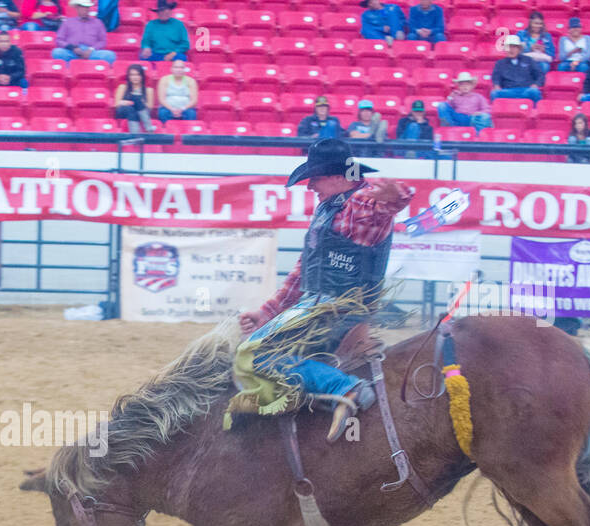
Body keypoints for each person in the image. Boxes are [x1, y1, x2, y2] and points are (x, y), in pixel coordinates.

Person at [235, 139, 415, 441]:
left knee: (253, 355)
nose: (310, 187)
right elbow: (303, 271)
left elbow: (385, 205)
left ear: (336, 176)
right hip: (318, 306)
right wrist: (266, 312)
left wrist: (397, 196)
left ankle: (344, 388)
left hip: (334, 311)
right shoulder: (331, 209)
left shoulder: (356, 206)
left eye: (314, 179)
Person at [491, 35, 543, 103]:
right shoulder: (500, 63)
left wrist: (536, 84)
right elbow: (496, 78)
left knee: (534, 92)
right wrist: (497, 86)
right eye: (509, 47)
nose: (511, 50)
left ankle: (535, 112)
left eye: (514, 47)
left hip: (526, 89)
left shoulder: (529, 60)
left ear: (519, 49)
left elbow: (539, 75)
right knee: (495, 93)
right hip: (508, 91)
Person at [113, 63, 154, 132]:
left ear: (142, 76)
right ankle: (148, 128)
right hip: (124, 110)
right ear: (129, 76)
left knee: (136, 101)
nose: (135, 77)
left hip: (141, 112)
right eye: (132, 75)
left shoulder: (148, 90)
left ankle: (137, 133)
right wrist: (126, 102)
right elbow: (117, 104)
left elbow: (150, 108)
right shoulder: (123, 87)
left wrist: (141, 102)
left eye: (138, 75)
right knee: (131, 107)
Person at [155, 59, 196, 124]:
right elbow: (161, 99)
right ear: (171, 69)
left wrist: (182, 109)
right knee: (163, 113)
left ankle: (188, 132)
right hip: (168, 108)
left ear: (184, 69)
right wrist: (172, 109)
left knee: (191, 113)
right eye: (176, 67)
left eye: (181, 67)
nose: (179, 70)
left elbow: (194, 101)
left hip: (185, 109)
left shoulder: (191, 81)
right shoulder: (164, 80)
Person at [517, 11, 555, 76]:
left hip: (541, 60)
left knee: (544, 66)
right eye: (536, 23)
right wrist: (530, 48)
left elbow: (552, 54)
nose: (538, 26)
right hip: (525, 60)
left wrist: (544, 50)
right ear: (530, 23)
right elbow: (516, 51)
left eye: (540, 24)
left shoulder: (547, 36)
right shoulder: (521, 34)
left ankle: (537, 84)